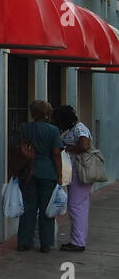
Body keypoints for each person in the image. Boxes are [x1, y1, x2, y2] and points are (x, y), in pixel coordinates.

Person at [14, 100, 63, 253]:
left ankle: (23, 242)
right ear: (47, 114)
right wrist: (59, 175)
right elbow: (56, 154)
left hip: (29, 171)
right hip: (48, 172)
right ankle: (45, 243)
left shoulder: (25, 128)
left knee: (28, 207)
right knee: (46, 209)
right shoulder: (53, 130)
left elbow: (19, 147)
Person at [52, 104, 93, 252]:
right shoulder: (74, 129)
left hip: (79, 172)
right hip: (75, 172)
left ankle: (78, 242)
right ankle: (79, 239)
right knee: (81, 205)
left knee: (75, 205)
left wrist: (68, 148)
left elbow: (84, 145)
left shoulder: (79, 128)